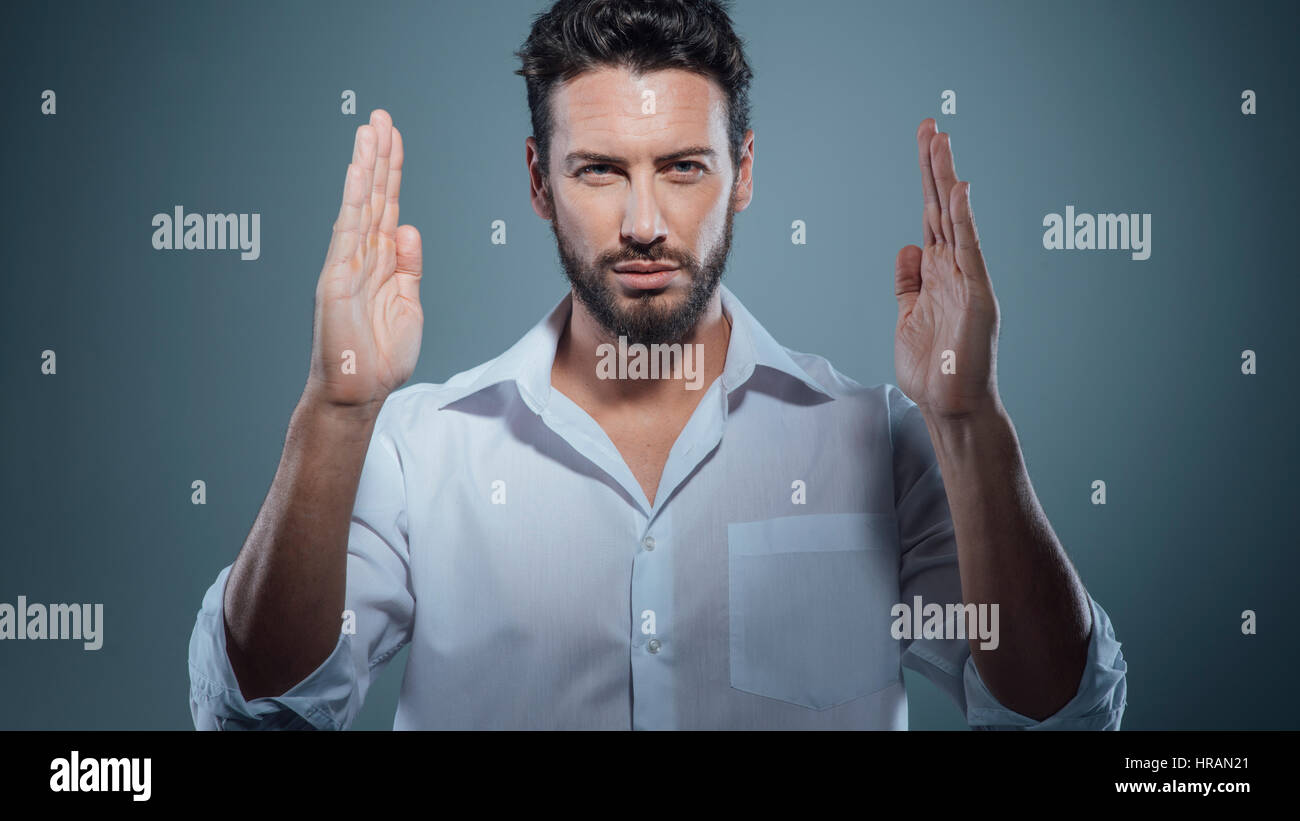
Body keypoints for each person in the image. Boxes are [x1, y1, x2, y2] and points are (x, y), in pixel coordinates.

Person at [188, 0, 1126, 730]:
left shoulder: (878, 442)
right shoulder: (419, 450)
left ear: (744, 172)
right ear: (537, 182)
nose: (643, 223)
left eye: (683, 166)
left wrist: (968, 424)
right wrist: (336, 408)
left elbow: (1061, 711)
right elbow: (258, 712)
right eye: (599, 170)